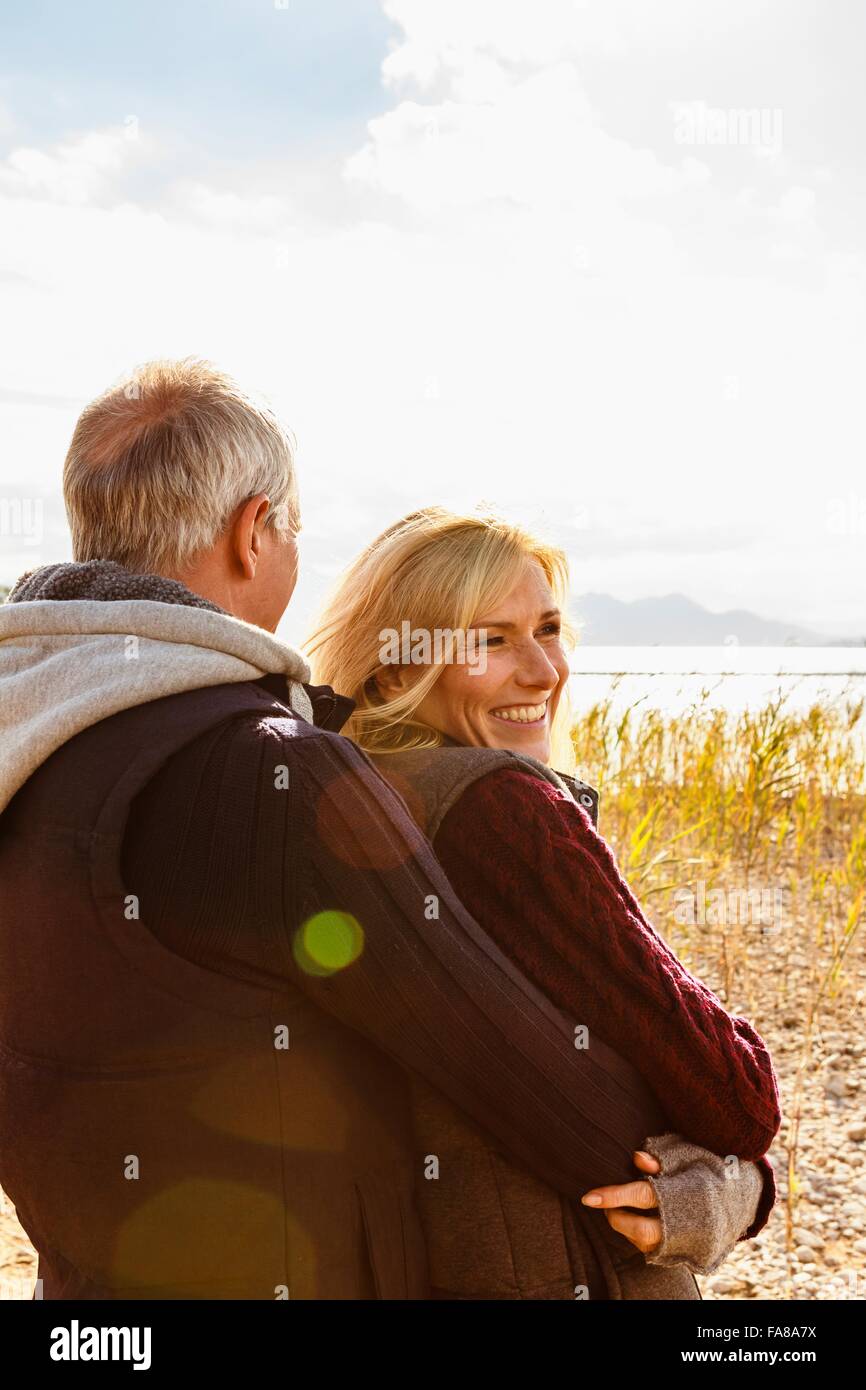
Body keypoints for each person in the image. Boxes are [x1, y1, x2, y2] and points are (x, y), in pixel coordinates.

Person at [0, 358, 731, 1300]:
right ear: (254, 531)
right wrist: (725, 1175)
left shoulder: (32, 746)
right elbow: (536, 1083)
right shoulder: (267, 775)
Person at [305, 506, 783, 1298]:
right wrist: (743, 1185)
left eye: (549, 628)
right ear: (393, 669)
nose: (543, 670)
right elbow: (736, 1097)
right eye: (490, 640)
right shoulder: (505, 813)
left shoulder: (344, 793)